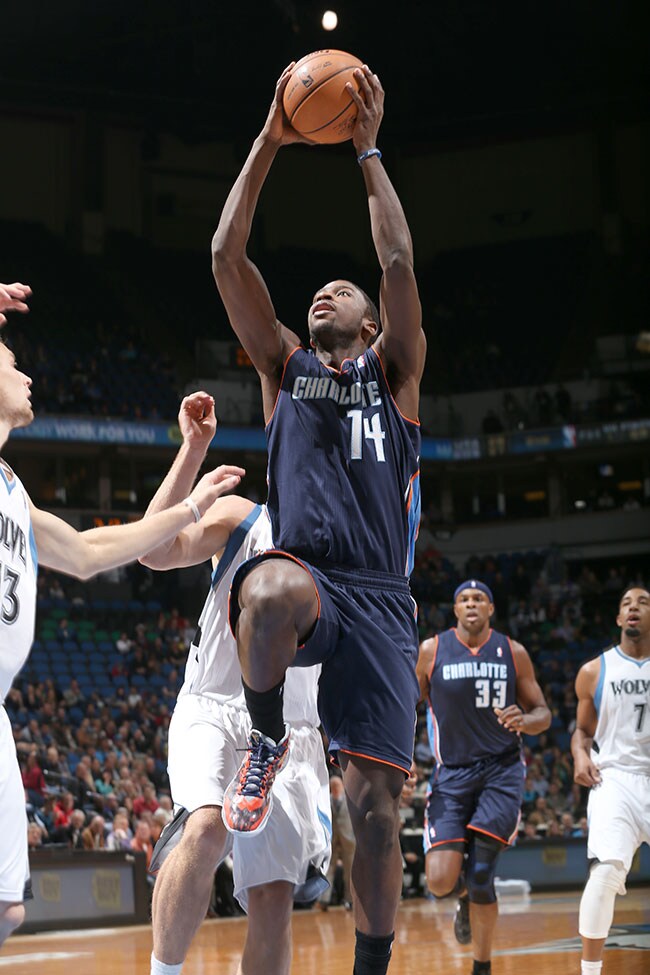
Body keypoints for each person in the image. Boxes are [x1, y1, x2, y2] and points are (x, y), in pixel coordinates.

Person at [211, 61, 426, 975]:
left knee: (374, 815)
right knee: (264, 587)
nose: (322, 294)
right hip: (314, 586)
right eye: (317, 293)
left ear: (374, 321)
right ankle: (265, 740)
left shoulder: (396, 372)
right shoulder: (284, 369)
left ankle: (373, 964)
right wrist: (271, 136)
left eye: (342, 291)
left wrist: (367, 150)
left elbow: (399, 261)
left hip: (380, 601)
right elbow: (226, 256)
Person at [0, 291, 244, 947]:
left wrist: (192, 505)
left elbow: (88, 552)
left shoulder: (12, 491)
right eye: (12, 362)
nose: (26, 374)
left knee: (6, 910)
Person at [138, 391, 331, 975]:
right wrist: (192, 451)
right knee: (205, 828)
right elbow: (153, 551)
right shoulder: (244, 517)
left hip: (293, 728)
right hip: (214, 707)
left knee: (273, 898)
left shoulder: (352, 552)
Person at [417, 580, 551, 975]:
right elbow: (406, 706)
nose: (471, 604)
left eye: (479, 599)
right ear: (454, 610)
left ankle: (482, 965)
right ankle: (461, 898)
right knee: (441, 881)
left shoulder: (513, 651)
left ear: (491, 609)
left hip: (501, 770)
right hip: (451, 773)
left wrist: (526, 721)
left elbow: (543, 712)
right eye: (464, 599)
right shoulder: (432, 650)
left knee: (480, 875)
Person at [571, 585, 650, 975]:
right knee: (603, 875)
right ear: (619, 619)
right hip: (614, 779)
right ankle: (590, 972)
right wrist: (580, 754)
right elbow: (582, 731)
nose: (633, 607)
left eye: (643, 602)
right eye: (626, 604)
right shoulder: (594, 671)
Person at [318, 774, 356, 912]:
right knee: (328, 868)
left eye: (337, 785)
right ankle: (324, 899)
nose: (335, 788)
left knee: (350, 870)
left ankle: (350, 900)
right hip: (331, 839)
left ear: (343, 786)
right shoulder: (324, 800)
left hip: (349, 840)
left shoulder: (350, 800)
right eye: (333, 786)